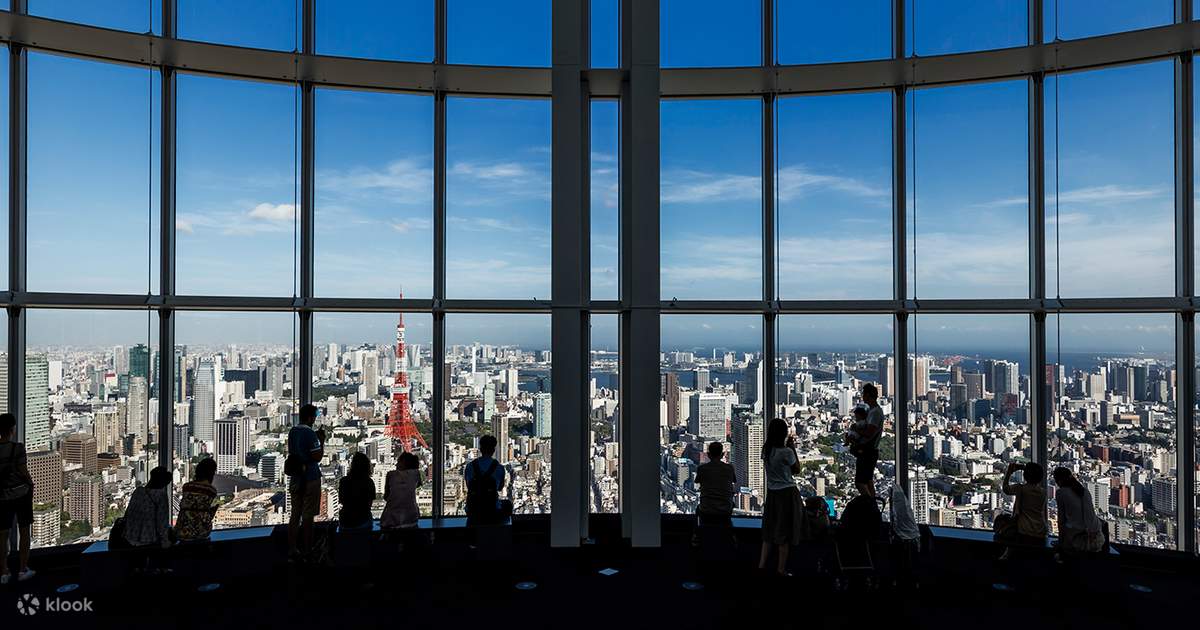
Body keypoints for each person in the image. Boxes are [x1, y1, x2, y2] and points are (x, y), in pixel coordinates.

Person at [758, 418, 803, 577]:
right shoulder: (786, 452)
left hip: (772, 493)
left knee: (769, 531)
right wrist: (792, 448)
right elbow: (796, 469)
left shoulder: (766, 449)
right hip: (787, 493)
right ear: (783, 433)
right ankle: (781, 569)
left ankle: (761, 566)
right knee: (784, 533)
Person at [286, 404, 325, 560]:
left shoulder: (293, 431)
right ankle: (308, 549)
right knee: (308, 516)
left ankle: (292, 548)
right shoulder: (310, 434)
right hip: (310, 477)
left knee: (295, 514)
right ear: (310, 418)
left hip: (295, 477)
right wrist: (321, 441)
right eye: (314, 417)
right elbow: (317, 457)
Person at [0, 413, 35, 584]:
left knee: (2, 534)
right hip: (21, 494)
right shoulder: (18, 448)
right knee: (24, 530)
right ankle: (23, 569)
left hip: (2, 496)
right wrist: (30, 484)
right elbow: (23, 471)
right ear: (13, 429)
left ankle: (3, 571)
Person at [996, 461, 1047, 559]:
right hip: (1040, 530)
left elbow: (1006, 489)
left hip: (1024, 529)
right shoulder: (1043, 492)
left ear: (1025, 476)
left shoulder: (1021, 488)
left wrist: (1009, 472)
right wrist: (1026, 469)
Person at [1052, 467, 1105, 556]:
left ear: (1059, 481)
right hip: (1098, 540)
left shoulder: (1061, 493)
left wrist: (1061, 542)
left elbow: (1061, 521)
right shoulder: (1084, 491)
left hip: (1078, 542)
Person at [464, 435, 512, 526]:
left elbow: (468, 486)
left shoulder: (470, 466)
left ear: (480, 449)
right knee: (507, 504)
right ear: (493, 450)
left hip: (473, 511)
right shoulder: (499, 468)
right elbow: (500, 488)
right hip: (492, 510)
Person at [846, 384, 884, 497]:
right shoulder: (871, 411)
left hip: (867, 451)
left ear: (868, 395)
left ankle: (870, 505)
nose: (862, 396)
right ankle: (873, 507)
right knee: (868, 481)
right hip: (869, 451)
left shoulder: (875, 412)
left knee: (860, 483)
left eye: (863, 394)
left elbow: (869, 433)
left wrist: (855, 428)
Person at [121, 466, 172, 548]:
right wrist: (165, 541)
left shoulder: (138, 491)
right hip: (148, 539)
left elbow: (128, 513)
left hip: (129, 537)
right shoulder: (160, 495)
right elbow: (162, 520)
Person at [174, 458, 219, 542]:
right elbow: (202, 510)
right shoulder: (211, 491)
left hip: (182, 529)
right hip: (201, 531)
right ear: (211, 473)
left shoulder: (187, 486)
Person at [695, 441, 736, 528]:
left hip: (706, 508)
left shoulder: (702, 468)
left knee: (698, 510)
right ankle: (729, 534)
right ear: (722, 454)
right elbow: (733, 481)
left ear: (708, 455)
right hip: (725, 509)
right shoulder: (729, 468)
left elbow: (697, 481)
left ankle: (698, 535)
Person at [381, 451, 422, 529]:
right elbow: (418, 485)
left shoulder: (391, 475)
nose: (396, 464)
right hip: (411, 519)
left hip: (391, 520)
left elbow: (386, 497)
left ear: (403, 463)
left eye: (398, 462)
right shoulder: (416, 474)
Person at [338, 452, 376, 532]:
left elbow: (341, 501)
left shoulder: (344, 481)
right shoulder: (369, 482)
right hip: (363, 521)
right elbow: (369, 505)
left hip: (345, 522)